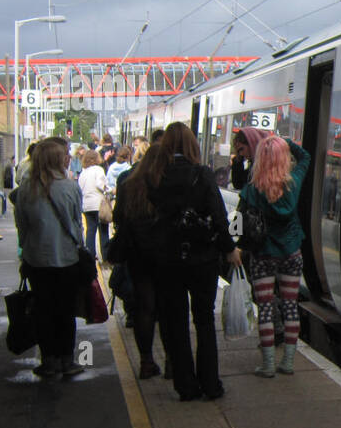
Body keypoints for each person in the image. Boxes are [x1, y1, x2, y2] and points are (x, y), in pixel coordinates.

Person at [148, 123, 241, 400]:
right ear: (192, 145)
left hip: (168, 259)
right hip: (202, 258)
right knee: (204, 320)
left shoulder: (155, 176)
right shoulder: (202, 174)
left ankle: (185, 386)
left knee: (175, 322)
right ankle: (211, 384)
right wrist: (229, 249)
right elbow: (219, 215)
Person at [237, 135, 311, 376]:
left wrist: (235, 246)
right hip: (291, 252)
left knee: (266, 309)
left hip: (263, 255)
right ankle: (288, 362)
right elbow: (305, 157)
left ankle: (268, 364)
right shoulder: (294, 182)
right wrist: (288, 142)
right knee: (290, 306)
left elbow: (237, 225)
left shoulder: (251, 189)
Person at [13, 140, 85, 378]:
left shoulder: (24, 189)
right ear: (56, 159)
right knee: (66, 311)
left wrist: (26, 250)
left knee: (43, 311)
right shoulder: (70, 187)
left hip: (37, 261)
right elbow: (77, 224)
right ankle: (67, 360)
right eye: (64, 155)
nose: (68, 158)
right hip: (67, 259)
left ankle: (49, 361)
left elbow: (21, 227)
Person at [112, 138, 166, 379]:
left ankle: (146, 361)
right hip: (166, 255)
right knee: (167, 309)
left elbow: (118, 218)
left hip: (137, 254)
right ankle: (173, 362)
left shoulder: (129, 183)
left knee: (144, 308)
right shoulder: (167, 183)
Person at [78, 148, 109, 260]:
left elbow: (80, 188)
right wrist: (108, 189)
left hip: (86, 205)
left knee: (90, 230)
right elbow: (100, 185)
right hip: (99, 204)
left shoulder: (83, 173)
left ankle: (90, 255)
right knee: (103, 230)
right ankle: (105, 255)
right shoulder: (98, 169)